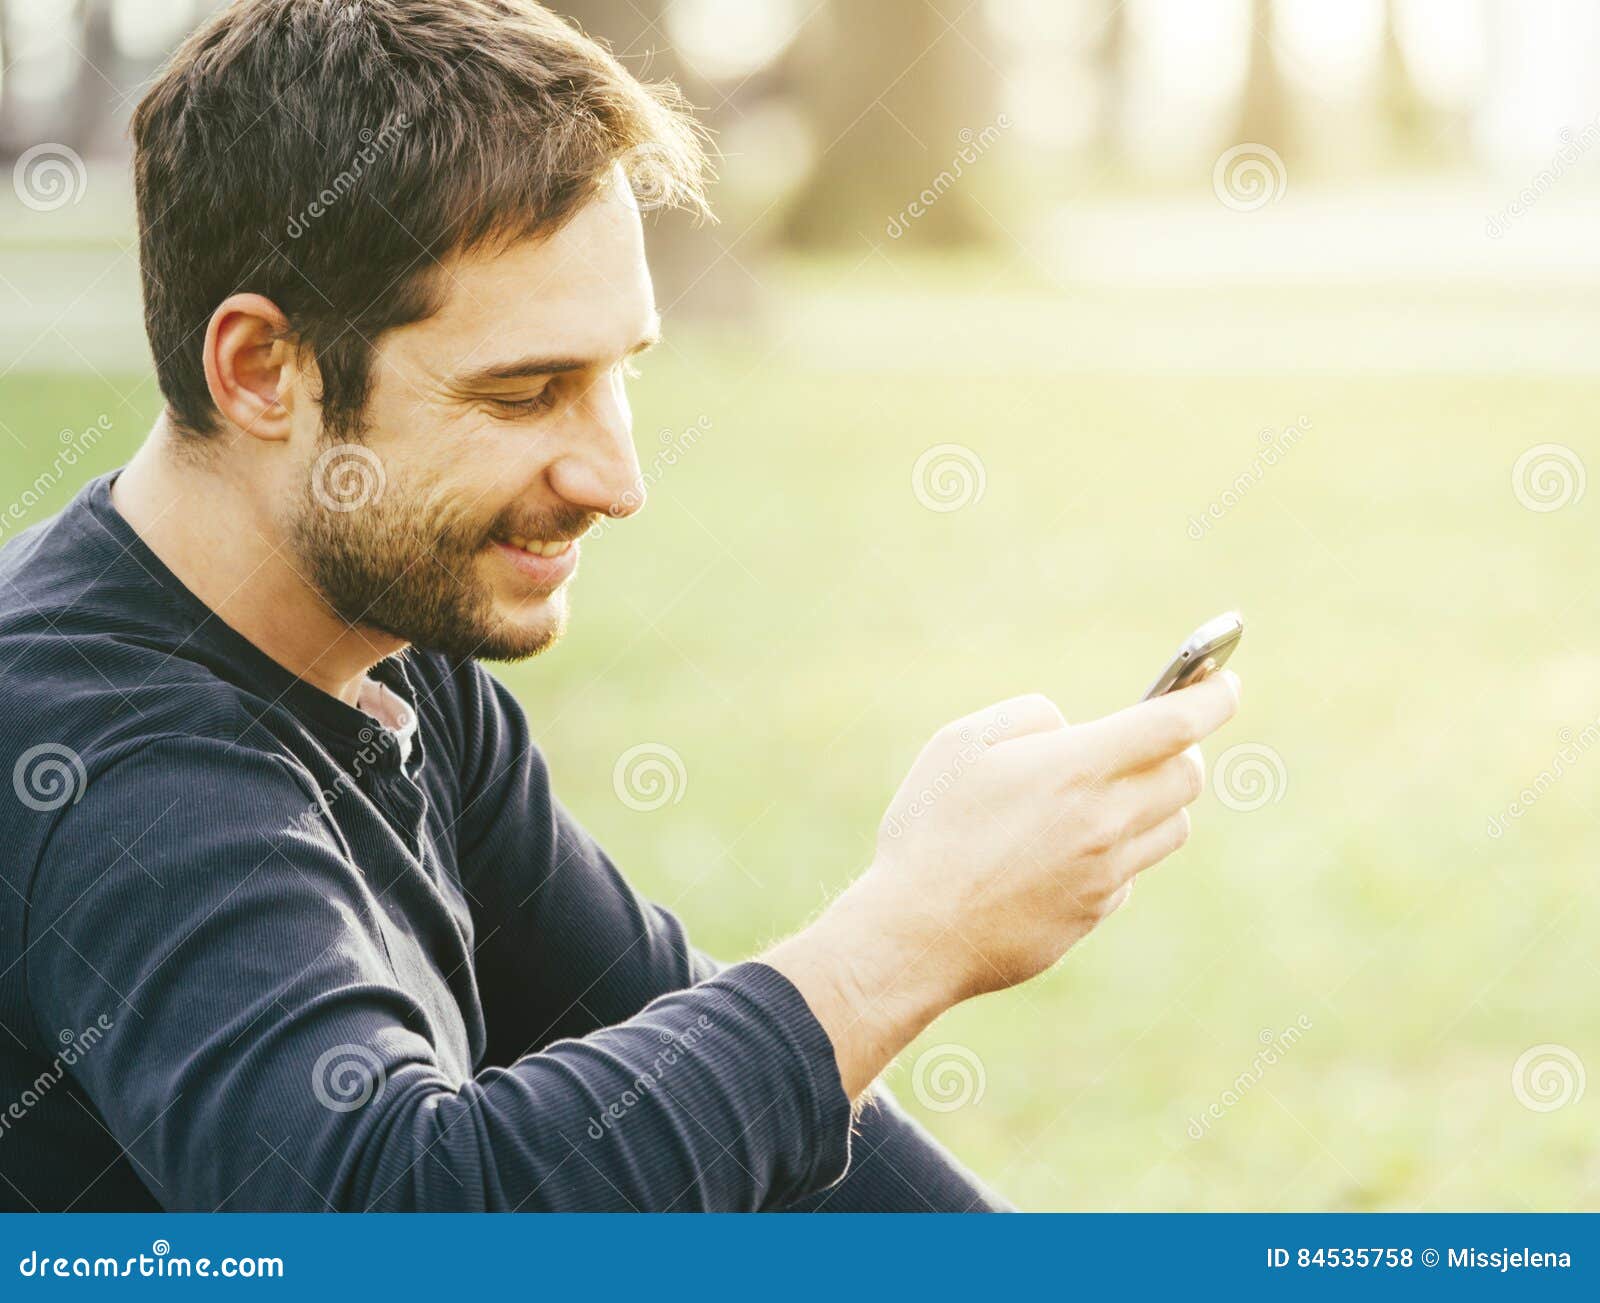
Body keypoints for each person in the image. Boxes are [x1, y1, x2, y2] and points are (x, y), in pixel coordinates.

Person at [0, 0, 1239, 1212]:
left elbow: (676, 1066)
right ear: (261, 370)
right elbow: (398, 1216)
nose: (618, 481)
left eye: (619, 374)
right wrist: (906, 937)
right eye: (525, 392)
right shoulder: (97, 752)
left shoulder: (391, 658)